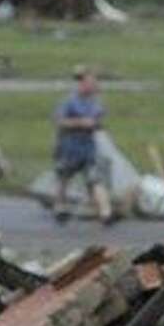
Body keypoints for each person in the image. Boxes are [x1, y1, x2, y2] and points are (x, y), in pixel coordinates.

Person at [52, 66, 113, 225]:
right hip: (69, 146)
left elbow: (98, 119)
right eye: (89, 83)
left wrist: (95, 123)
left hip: (88, 148)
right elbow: (59, 121)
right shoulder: (69, 101)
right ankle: (60, 206)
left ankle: (105, 212)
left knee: (95, 179)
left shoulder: (95, 102)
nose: (92, 86)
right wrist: (80, 122)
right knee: (64, 177)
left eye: (94, 84)